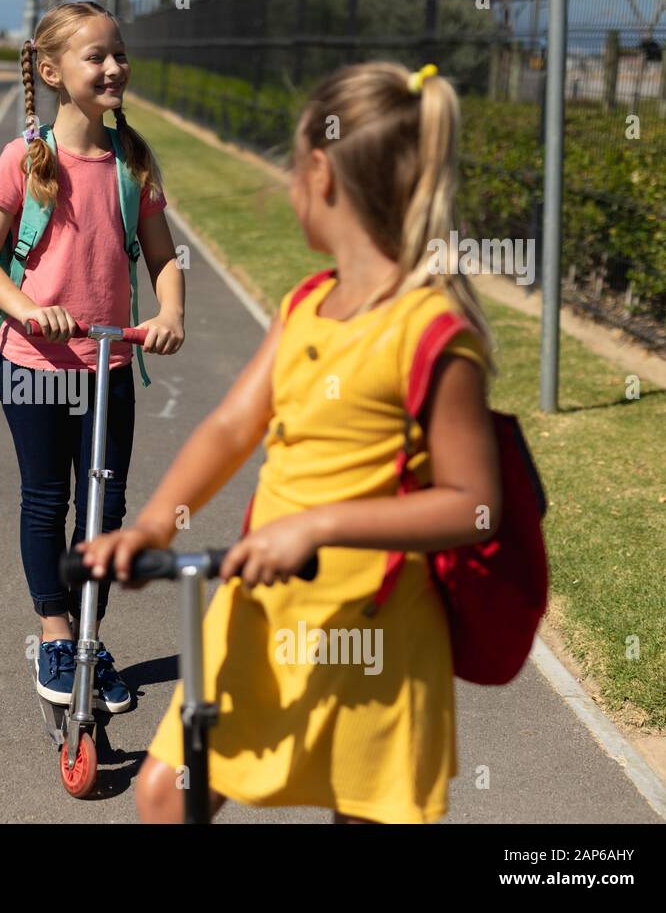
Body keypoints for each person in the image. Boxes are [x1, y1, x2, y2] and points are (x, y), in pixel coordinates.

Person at [76, 61, 501, 822]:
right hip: (260, 616)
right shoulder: (306, 303)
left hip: (374, 636)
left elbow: (474, 506)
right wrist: (145, 526)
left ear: (320, 172)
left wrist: (319, 524)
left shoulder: (432, 331)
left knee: (362, 813)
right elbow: (232, 427)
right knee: (168, 795)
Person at [0, 1, 186, 713]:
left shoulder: (132, 162)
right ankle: (56, 635)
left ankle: (90, 638)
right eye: (97, 57)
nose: (114, 67)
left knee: (106, 508)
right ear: (54, 72)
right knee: (47, 499)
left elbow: (163, 258)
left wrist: (171, 310)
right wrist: (29, 310)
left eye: (119, 53)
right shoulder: (26, 161)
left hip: (109, 365)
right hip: (32, 362)